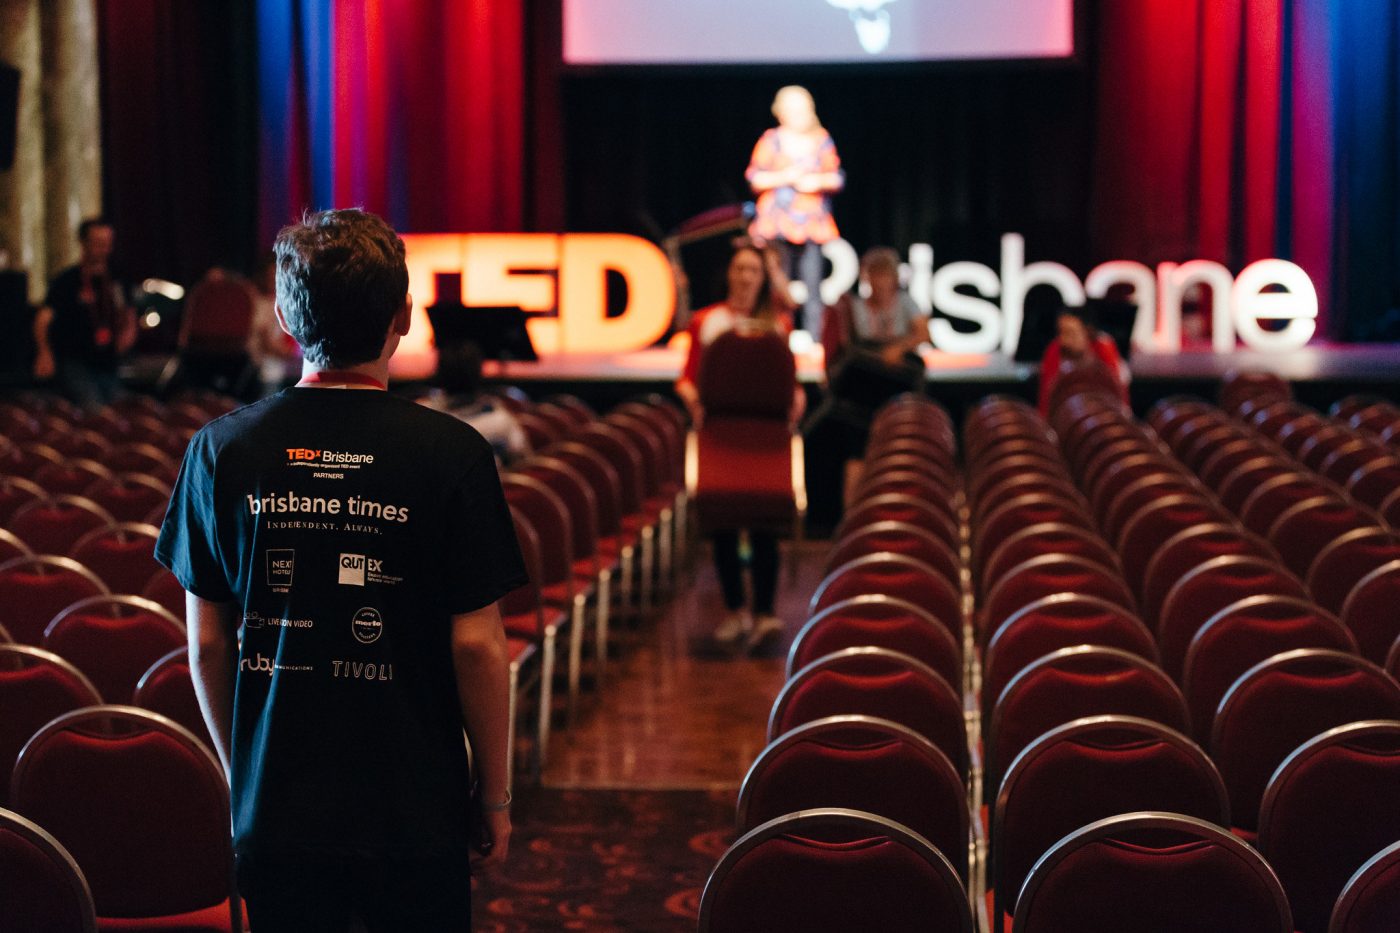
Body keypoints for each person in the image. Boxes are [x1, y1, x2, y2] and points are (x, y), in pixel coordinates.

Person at [154, 209, 526, 931]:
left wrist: (245, 781)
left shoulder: (219, 450)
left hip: (278, 804)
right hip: (416, 807)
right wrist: (495, 796)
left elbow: (205, 645)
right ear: (405, 316)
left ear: (287, 319)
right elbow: (478, 645)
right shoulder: (455, 452)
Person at [676, 241, 805, 653]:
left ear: (762, 277)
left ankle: (765, 612)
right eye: (739, 269)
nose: (745, 277)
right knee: (725, 524)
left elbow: (792, 382)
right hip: (721, 435)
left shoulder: (778, 324)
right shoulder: (706, 321)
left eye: (754, 270)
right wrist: (695, 402)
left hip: (767, 438)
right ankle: (735, 612)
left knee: (765, 525)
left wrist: (796, 400)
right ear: (729, 274)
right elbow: (687, 377)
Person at [819, 246, 930, 505]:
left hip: (896, 388)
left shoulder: (906, 302)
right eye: (874, 275)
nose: (879, 282)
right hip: (862, 393)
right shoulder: (853, 306)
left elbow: (923, 333)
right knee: (855, 448)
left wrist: (898, 349)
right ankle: (853, 514)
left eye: (884, 275)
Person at [745, 85, 845, 337]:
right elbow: (755, 178)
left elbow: (836, 177)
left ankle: (815, 339)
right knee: (779, 285)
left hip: (811, 223)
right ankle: (778, 334)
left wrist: (815, 182)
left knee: (813, 286)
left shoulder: (820, 139)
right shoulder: (771, 140)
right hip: (776, 224)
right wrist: (784, 177)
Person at [33, 217, 136, 409]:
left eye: (107, 243)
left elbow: (128, 315)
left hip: (108, 361)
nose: (103, 249)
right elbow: (43, 319)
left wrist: (126, 339)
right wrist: (44, 352)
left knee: (118, 411)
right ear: (84, 243)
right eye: (97, 243)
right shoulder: (67, 280)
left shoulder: (117, 279)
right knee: (93, 409)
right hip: (75, 362)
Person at [426, 341, 531, 466]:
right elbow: (523, 463)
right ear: (478, 373)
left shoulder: (421, 418)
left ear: (439, 372)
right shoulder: (501, 420)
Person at [1037, 304, 1130, 416]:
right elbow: (1045, 403)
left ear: (1088, 332)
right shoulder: (1054, 350)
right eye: (1061, 332)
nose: (1064, 341)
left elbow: (1121, 401)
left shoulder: (1104, 347)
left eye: (1071, 333)